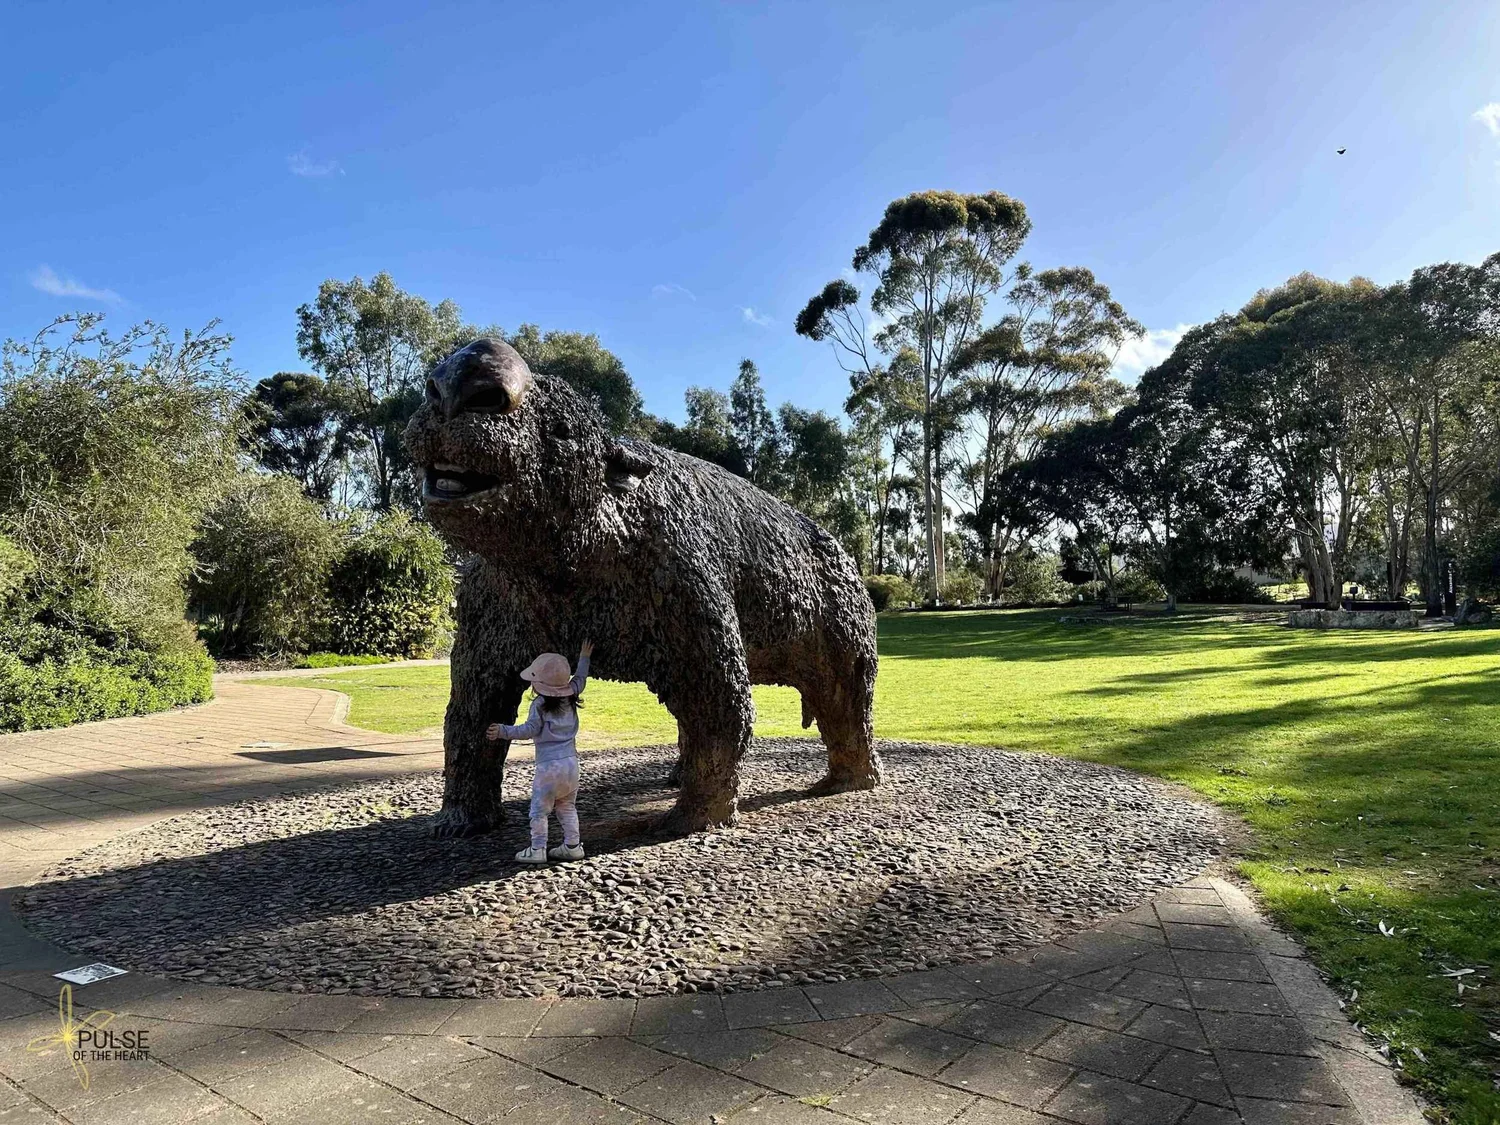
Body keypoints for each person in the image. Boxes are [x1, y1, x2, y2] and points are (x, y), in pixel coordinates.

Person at [487, 641, 592, 863]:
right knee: (567, 805)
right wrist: (584, 657)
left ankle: (537, 849)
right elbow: (580, 680)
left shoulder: (540, 704)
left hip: (548, 767)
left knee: (539, 810)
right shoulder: (570, 697)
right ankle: (573, 846)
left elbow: (529, 730)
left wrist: (503, 731)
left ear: (540, 684)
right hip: (572, 765)